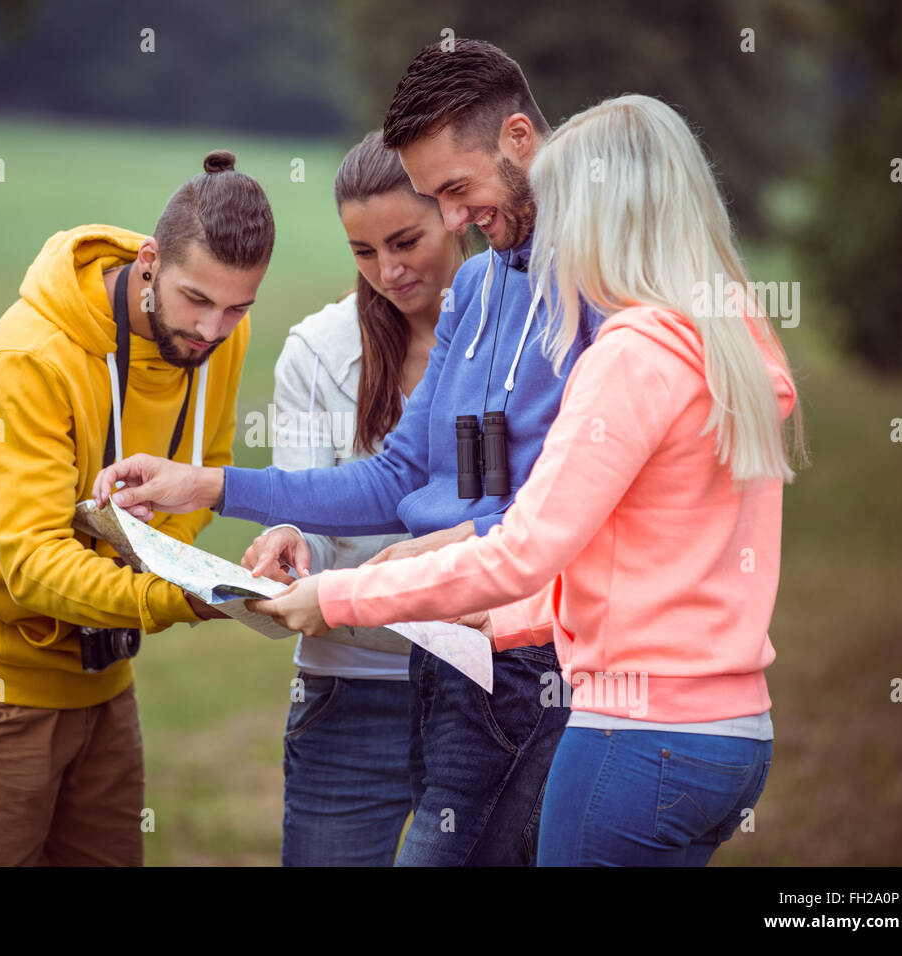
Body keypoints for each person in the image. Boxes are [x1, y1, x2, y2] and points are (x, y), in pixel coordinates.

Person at [251, 94, 805, 867]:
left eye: (564, 210)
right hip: (734, 738)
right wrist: (507, 622)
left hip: (632, 741)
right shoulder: (731, 336)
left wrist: (337, 596)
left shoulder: (631, 353)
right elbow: (647, 556)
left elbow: (522, 547)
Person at [93, 40, 595, 866]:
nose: (453, 223)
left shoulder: (588, 286)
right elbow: (397, 475)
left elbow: (550, 517)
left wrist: (372, 578)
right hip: (435, 665)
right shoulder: (479, 288)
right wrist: (209, 485)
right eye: (367, 251)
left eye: (449, 198)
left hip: (523, 660)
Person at [0, 150, 275, 866]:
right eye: (198, 299)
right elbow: (34, 567)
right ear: (151, 261)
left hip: (104, 680)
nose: (214, 329)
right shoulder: (32, 355)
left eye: (238, 307)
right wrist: (184, 592)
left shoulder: (221, 334)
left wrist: (177, 554)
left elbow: (205, 469)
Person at [241, 130, 472, 866]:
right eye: (364, 253)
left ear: (455, 215)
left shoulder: (513, 334)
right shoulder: (315, 348)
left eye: (406, 241)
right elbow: (306, 496)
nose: (389, 272)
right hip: (350, 686)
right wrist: (285, 536)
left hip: (484, 686)